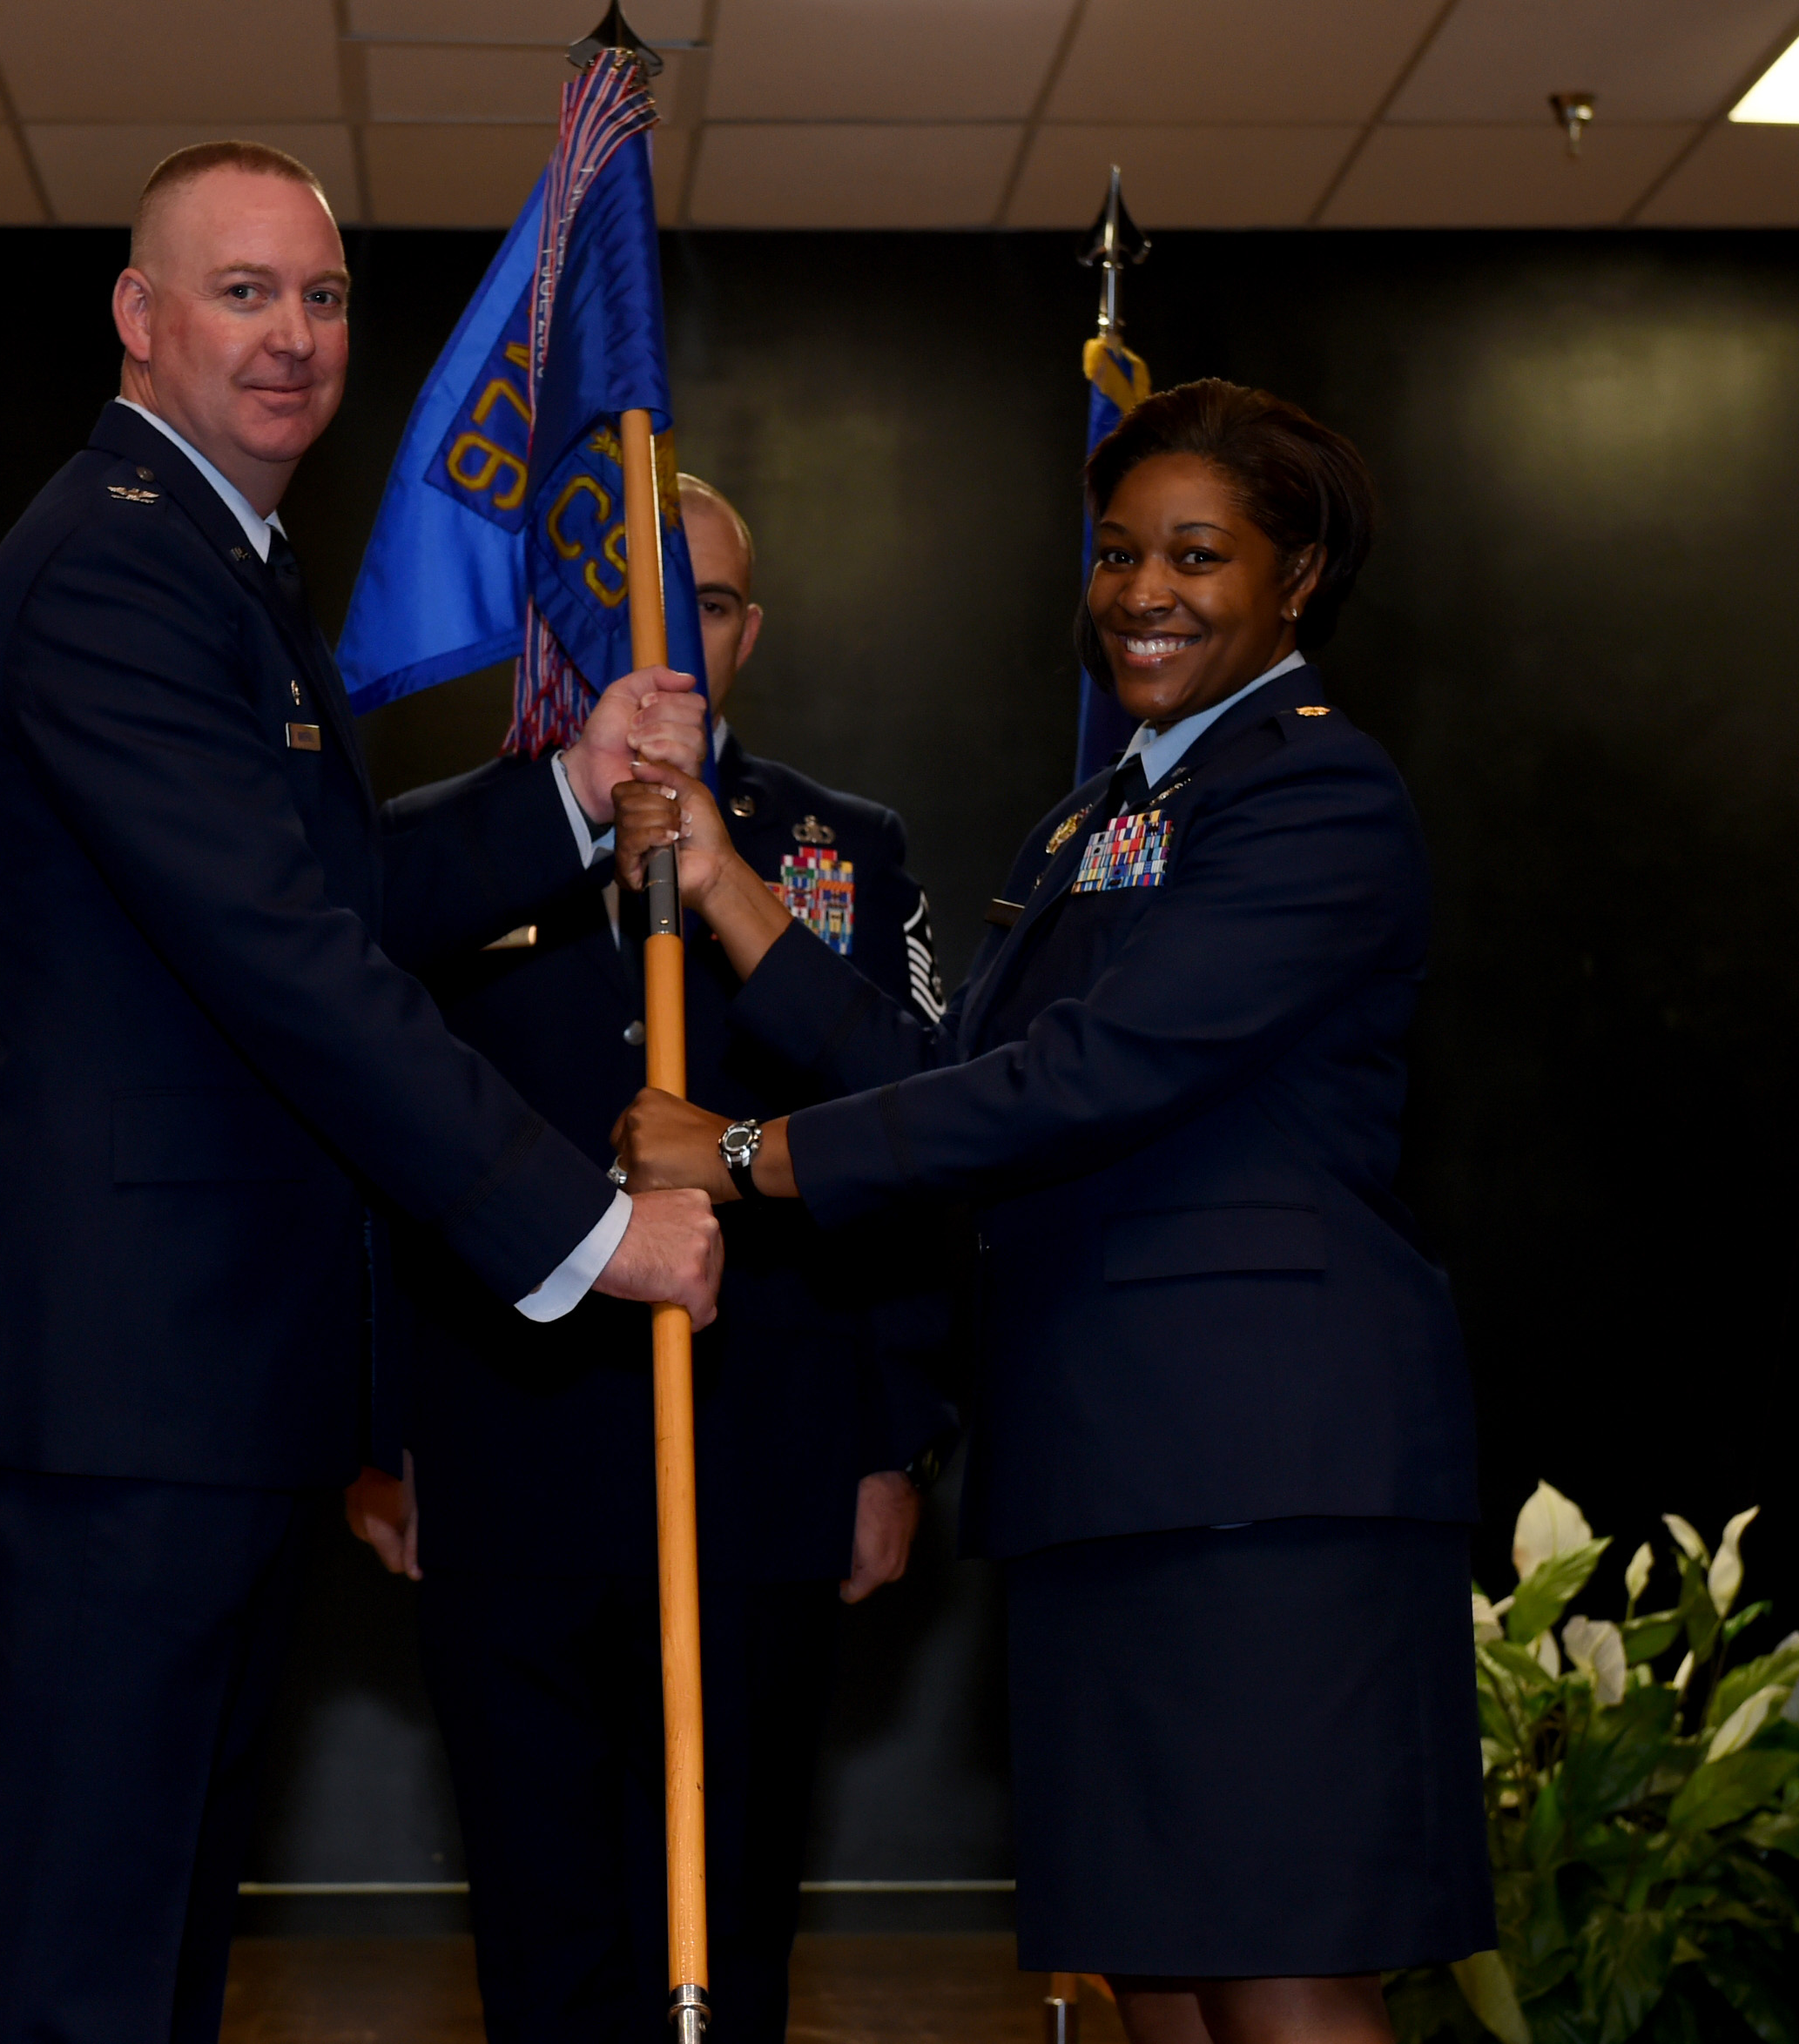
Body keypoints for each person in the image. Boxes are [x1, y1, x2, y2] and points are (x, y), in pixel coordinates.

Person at [0, 142, 723, 2044]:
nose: (291, 339)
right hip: (128, 1385)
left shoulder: (210, 556)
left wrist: (570, 789)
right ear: (140, 317)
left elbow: (323, 883)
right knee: (84, 1952)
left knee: (153, 1930)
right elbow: (290, 962)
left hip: (194, 1383)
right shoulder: (114, 564)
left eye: (324, 297)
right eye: (244, 292)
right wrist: (583, 1229)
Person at [614, 380, 1492, 2044]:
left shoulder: (1316, 798)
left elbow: (1084, 1082)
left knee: (1277, 1956)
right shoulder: (1101, 816)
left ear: (1293, 581)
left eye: (1194, 554)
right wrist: (729, 893)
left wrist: (740, 1157)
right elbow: (948, 1072)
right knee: (1152, 1958)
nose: (1140, 590)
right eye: (1113, 553)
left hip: (1262, 1477)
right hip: (1107, 1464)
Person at [346, 474, 960, 2044]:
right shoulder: (438, 855)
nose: (675, 640)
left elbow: (918, 1140)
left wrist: (892, 1445)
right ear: (565, 628)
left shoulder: (847, 850)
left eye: (710, 605)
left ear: (749, 633)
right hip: (501, 1451)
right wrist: (370, 1430)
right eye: (632, 604)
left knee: (726, 1916)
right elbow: (353, 1156)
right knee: (541, 1924)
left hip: (762, 1459)